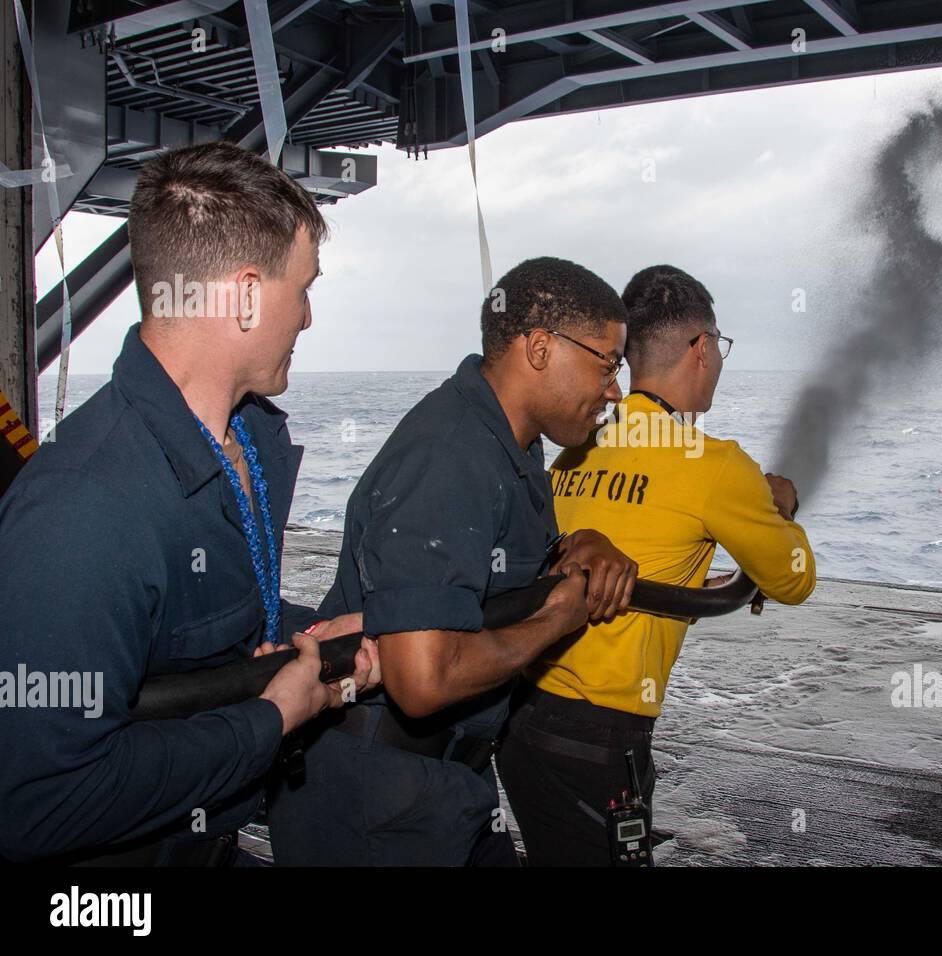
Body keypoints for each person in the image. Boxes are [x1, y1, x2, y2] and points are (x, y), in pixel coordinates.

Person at [0, 141, 376, 865]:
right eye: (303, 288)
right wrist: (273, 719)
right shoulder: (80, 510)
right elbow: (36, 801)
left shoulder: (246, 443)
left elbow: (201, 641)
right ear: (241, 297)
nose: (306, 319)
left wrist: (325, 637)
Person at [267, 256, 639, 865]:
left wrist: (576, 543)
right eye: (607, 362)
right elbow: (422, 681)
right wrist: (558, 619)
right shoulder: (450, 456)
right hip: (376, 796)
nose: (615, 388)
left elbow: (487, 574)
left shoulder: (508, 444)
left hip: (444, 776)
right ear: (541, 348)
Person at [497, 265, 817, 865]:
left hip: (519, 716)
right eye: (718, 346)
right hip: (599, 736)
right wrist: (782, 507)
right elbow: (795, 579)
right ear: (700, 348)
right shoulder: (717, 465)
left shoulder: (576, 446)